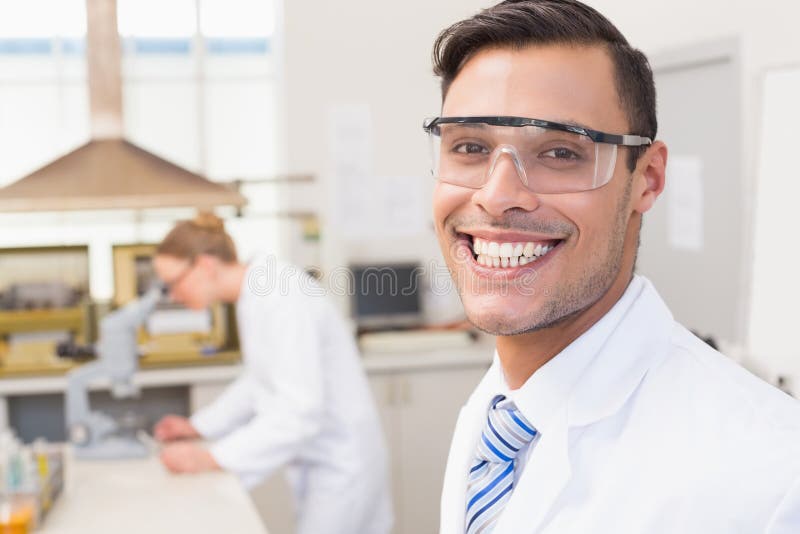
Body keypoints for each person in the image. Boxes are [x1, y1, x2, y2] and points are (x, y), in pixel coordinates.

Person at [425, 1, 800, 533]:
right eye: (469, 146)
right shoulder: (498, 414)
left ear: (646, 178)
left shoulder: (772, 480)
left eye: (560, 153)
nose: (497, 195)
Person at [150, 212, 392, 534]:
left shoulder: (279, 296)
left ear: (205, 265)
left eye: (172, 283)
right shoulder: (255, 294)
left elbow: (299, 412)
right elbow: (260, 379)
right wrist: (198, 426)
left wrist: (212, 458)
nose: (173, 295)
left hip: (341, 464)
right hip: (321, 463)